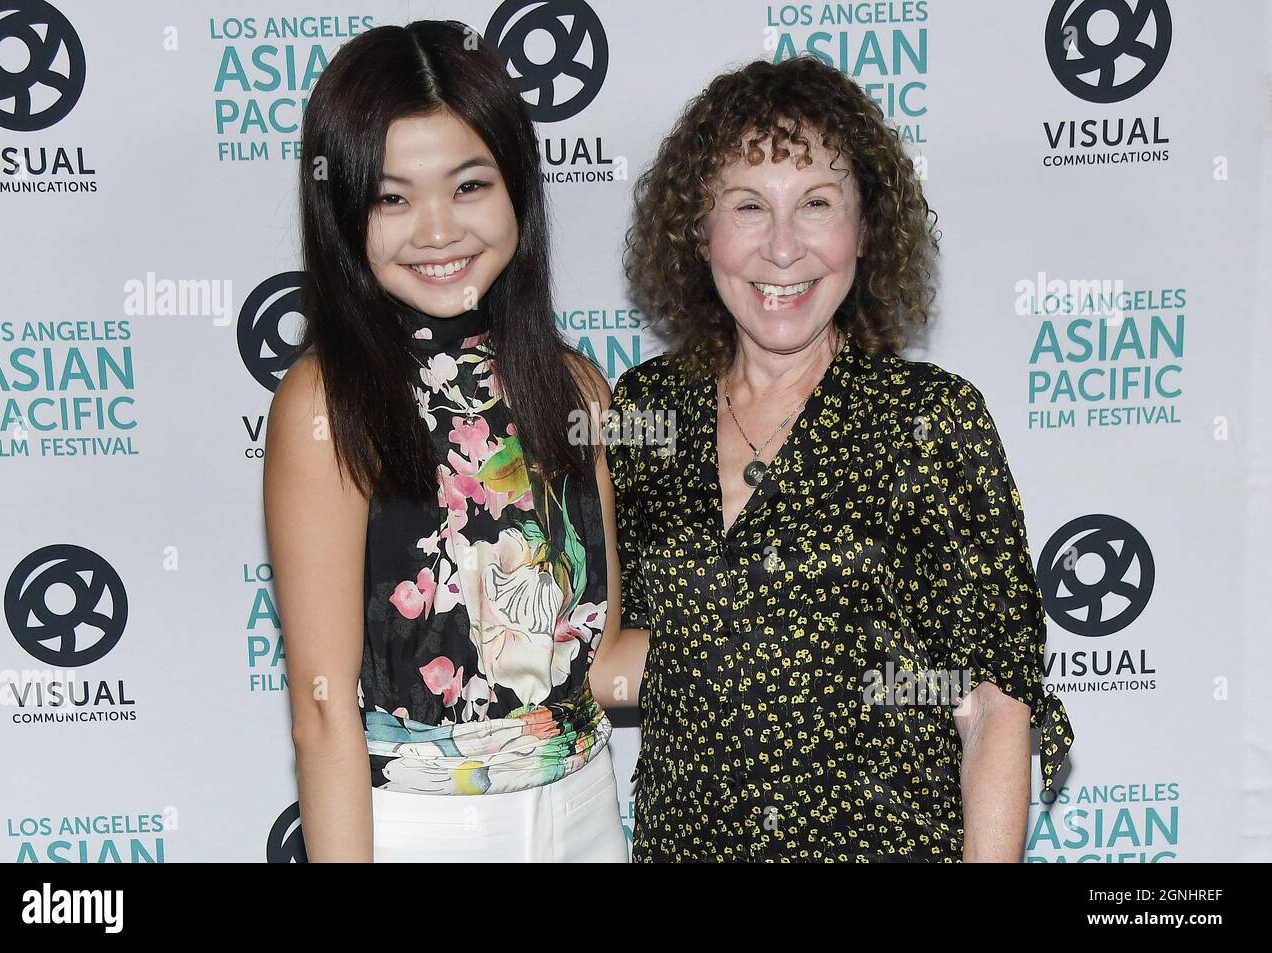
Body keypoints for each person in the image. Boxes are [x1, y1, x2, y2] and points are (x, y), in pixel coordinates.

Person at [597, 55, 1074, 862]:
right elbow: (615, 658)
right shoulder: (643, 410)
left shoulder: (928, 421)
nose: (783, 249)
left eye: (816, 203)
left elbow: (994, 706)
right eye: (748, 206)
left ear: (864, 229)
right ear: (700, 232)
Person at [264, 20, 626, 862]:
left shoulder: (572, 385)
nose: (437, 231)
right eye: (393, 197)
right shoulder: (325, 402)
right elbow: (321, 715)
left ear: (517, 192)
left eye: (469, 186)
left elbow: (597, 660)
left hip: (588, 810)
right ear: (345, 210)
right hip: (425, 831)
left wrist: (776, 633)